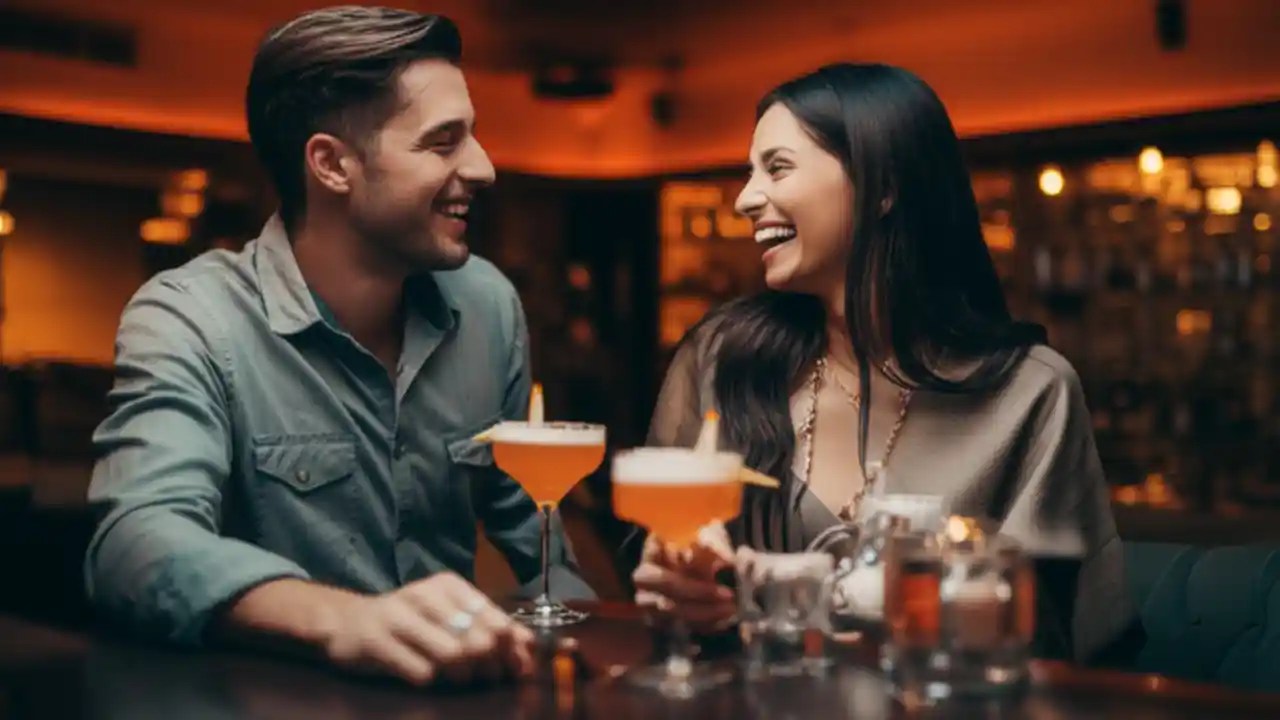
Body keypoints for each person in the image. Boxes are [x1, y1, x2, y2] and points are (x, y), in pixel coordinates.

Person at [84, 6, 593, 687]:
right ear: (331, 165)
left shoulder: (488, 303)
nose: (484, 167)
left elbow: (538, 529)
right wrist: (347, 621)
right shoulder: (191, 317)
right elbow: (134, 547)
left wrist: (615, 632)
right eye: (443, 142)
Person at [631, 63, 1141, 664]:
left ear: (883, 186)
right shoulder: (721, 359)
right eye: (750, 171)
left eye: (777, 167)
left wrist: (811, 589)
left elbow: (1046, 632)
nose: (745, 198)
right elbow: (665, 566)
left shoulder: (1031, 392)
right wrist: (678, 573)